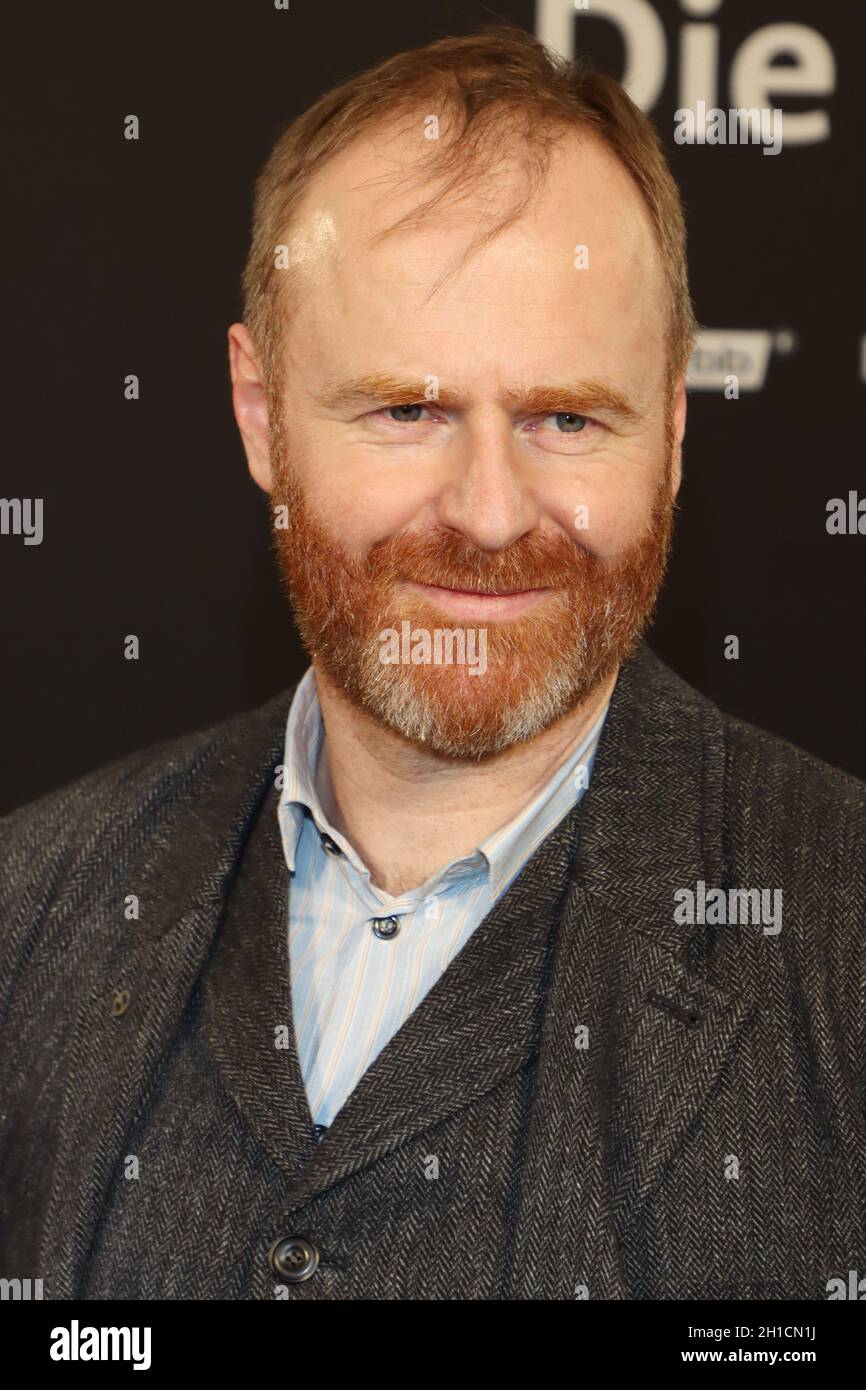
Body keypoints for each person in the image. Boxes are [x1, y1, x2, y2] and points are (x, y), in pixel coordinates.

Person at [1, 26, 864, 1301]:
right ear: (260, 412)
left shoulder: (836, 943)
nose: (492, 511)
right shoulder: (30, 918)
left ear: (672, 430)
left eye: (566, 418)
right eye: (405, 411)